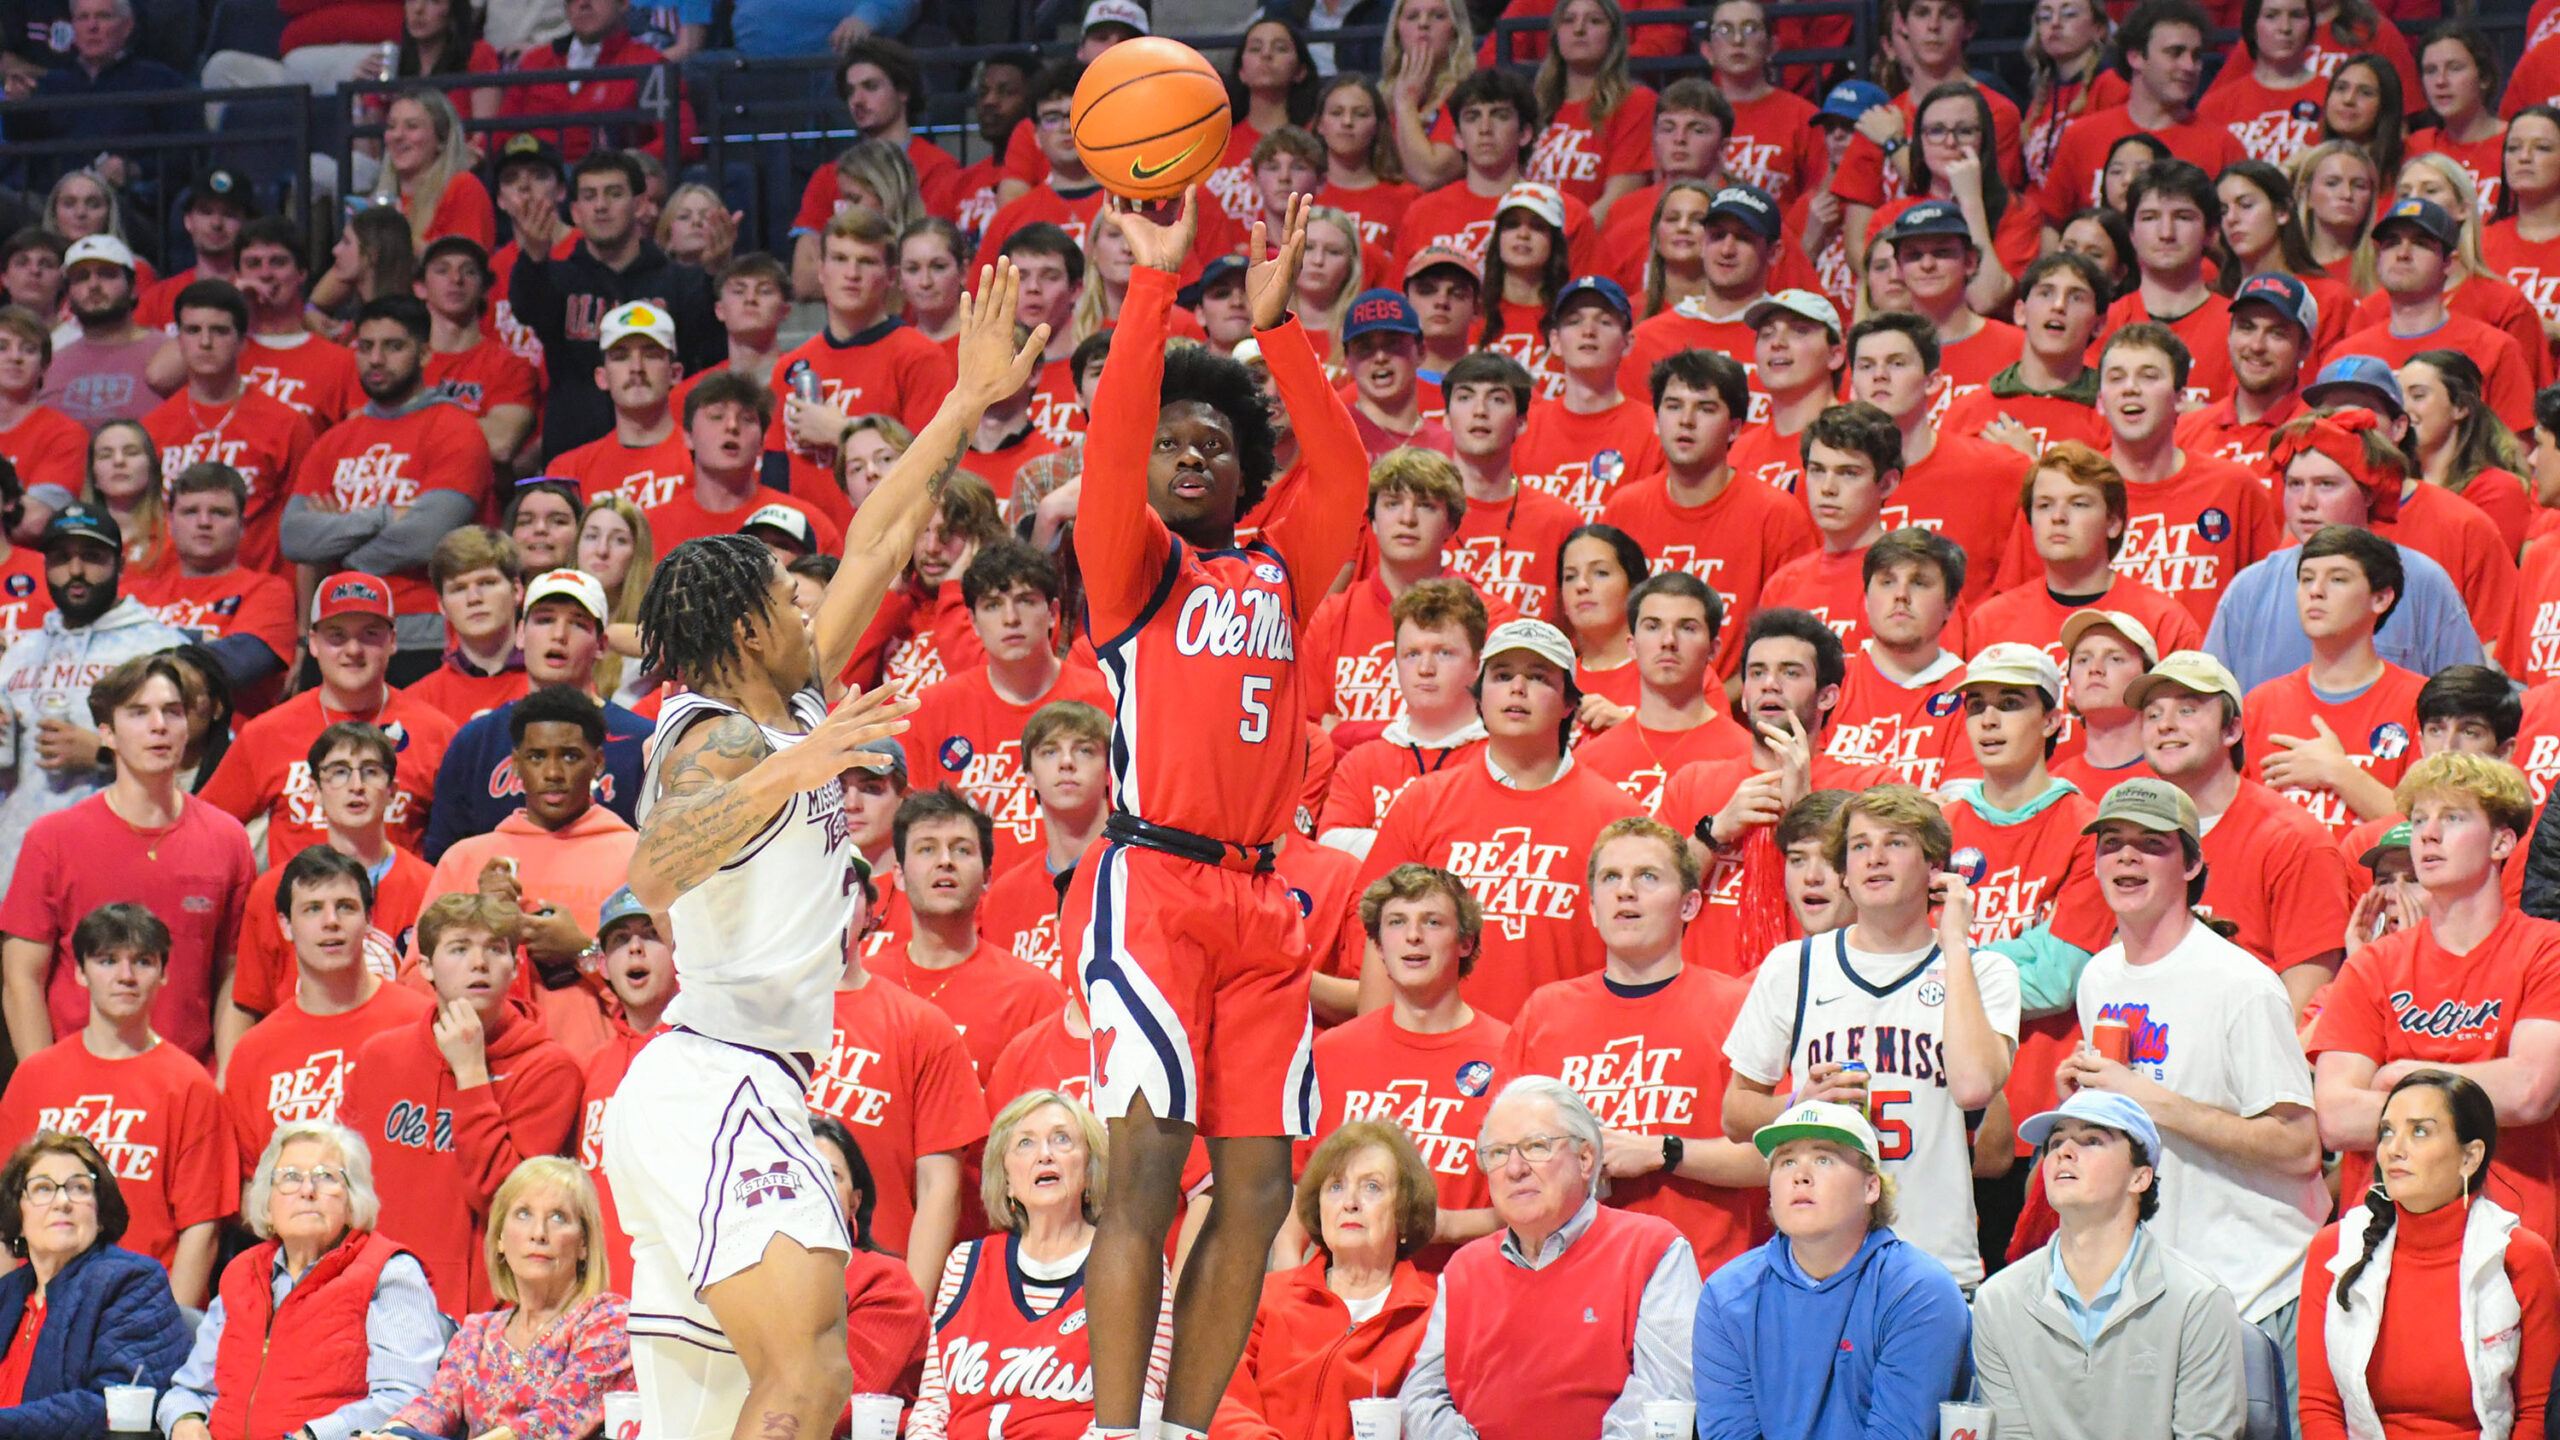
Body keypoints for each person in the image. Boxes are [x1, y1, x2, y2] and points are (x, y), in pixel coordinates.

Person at [603, 256, 1040, 1440]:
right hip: (715, 1081)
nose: (814, 611)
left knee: (733, 1408)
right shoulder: (709, 729)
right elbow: (654, 867)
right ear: (746, 627)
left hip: (730, 1086)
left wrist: (965, 399)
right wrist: (798, 769)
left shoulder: (788, 699)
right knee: (809, 1383)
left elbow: (882, 541)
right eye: (788, 606)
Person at [1054, 187, 1374, 1440]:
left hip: (1262, 898)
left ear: (1247, 469)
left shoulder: (1279, 565)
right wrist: (1155, 286)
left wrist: (1282, 329)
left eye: (1217, 443)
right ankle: (1112, 1430)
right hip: (1153, 890)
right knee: (1141, 1178)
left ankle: (1181, 1432)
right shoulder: (1130, 566)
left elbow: (1341, 464)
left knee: (1256, 1192)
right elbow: (1111, 432)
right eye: (1171, 443)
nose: (1191, 455)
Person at [2062, 775, 2328, 1375]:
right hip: (2160, 1288)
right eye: (2111, 842)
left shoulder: (2241, 985)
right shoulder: (2098, 978)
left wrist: (2145, 1096)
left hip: (2260, 1287)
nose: (2126, 855)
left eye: (2151, 843)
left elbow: (2298, 1146)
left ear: (2191, 864)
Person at [1722, 784, 2020, 1288]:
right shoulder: (1795, 967)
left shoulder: (1985, 971)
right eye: (1860, 846)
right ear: (1844, 872)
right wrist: (1798, 1102)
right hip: (1819, 1267)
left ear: (1934, 870)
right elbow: (1735, 1114)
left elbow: (1973, 1087)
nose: (1874, 858)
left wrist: (1954, 945)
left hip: (1935, 1264)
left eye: (1896, 843)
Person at [2311, 753, 2560, 1243]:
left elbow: (2532, 1091)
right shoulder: (2372, 964)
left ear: (2502, 841)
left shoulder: (2546, 949)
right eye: (2420, 818)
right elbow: (2338, 1117)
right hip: (2383, 1246)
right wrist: (2475, 1093)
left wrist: (2407, 1081)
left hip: (2511, 1243)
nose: (2427, 834)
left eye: (2453, 817)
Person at [1506, 816, 1767, 1275]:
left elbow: (1776, 1157)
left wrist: (1662, 1153)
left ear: (1690, 904)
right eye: (1611, 878)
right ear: (1591, 908)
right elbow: (1504, 1157)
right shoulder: (1544, 1013)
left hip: (1702, 1284)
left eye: (1647, 877)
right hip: (1568, 1278)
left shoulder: (1739, 1006)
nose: (1626, 891)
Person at [1357, 619, 1642, 1020]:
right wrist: (1378, 1048)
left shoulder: (1618, 817)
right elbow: (1379, 942)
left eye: (1538, 677)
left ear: (1568, 703)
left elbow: (1640, 955)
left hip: (1566, 1053)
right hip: (1440, 1052)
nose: (1518, 689)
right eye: (1503, 675)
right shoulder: (1422, 802)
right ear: (1479, 696)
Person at [1398, 1076, 1699, 1439]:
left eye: (1536, 1147)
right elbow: (1421, 1396)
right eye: (1497, 1153)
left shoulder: (1654, 1250)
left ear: (1586, 1158)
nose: (1514, 1169)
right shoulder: (1464, 1268)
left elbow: (1665, 1397)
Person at [0, 650, 251, 1072]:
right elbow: (21, 978)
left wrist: (224, 1081)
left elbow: (233, 976)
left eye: (172, 712)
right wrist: (43, 1086)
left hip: (187, 1084)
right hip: (76, 1087)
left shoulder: (228, 839)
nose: (159, 726)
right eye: (139, 712)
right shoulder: (52, 838)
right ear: (108, 733)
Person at [340, 892, 579, 1319]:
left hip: (487, 1315)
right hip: (374, 1299)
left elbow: (508, 1201)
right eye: (460, 948)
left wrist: (471, 1077)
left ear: (515, 965)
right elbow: (346, 1188)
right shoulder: (380, 1057)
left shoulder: (548, 1069)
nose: (479, 962)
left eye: (494, 948)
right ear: (427, 967)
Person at [1970, 1089, 2250, 1439]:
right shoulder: (1998, 1301)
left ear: (2140, 1178)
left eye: (2091, 1140)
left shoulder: (2199, 1301)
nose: (2064, 1152)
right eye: (2055, 1143)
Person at [2299, 1070, 2560, 1439]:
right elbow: (2319, 1407)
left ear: (2470, 1157)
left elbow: (2537, 1415)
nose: (2394, 1148)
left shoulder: (2523, 1257)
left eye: (2419, 1131)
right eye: (2387, 1131)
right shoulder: (2334, 1250)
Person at [1693, 1100, 1970, 1435]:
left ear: (1871, 1187)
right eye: (1786, 1161)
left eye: (1824, 1159)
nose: (1800, 1176)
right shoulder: (1726, 1295)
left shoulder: (1919, 1290)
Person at [156, 1120, 443, 1440]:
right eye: (290, 1177)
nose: (307, 1191)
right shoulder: (242, 1272)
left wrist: (313, 1436)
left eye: (326, 1177)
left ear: (352, 1200)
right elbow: (189, 1390)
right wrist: (185, 1420)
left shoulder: (389, 1272)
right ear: (267, 1202)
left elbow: (406, 1401)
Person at [0, 903, 226, 1306]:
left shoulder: (190, 1084)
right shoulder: (34, 1077)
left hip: (139, 1309)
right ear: (81, 973)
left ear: (164, 972)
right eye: (107, 961)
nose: (126, 976)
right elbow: (4, 1215)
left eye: (142, 961)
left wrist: (164, 1334)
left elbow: (201, 1230)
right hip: (36, 1306)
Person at [912, 1091, 1165, 1438]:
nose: (1045, 1154)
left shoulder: (1131, 1263)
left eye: (1062, 1139)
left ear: (1091, 1170)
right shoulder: (965, 1263)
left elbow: (1141, 1409)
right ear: (1007, 1180)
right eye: (1025, 1144)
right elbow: (931, 1410)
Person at [279, 296, 498, 678]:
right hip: (339, 631)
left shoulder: (455, 429)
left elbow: (425, 540)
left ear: (426, 354)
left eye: (393, 346)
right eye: (365, 347)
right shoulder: (334, 440)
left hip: (424, 635)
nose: (376, 359)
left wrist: (335, 545)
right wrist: (382, 516)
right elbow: (294, 539)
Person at [2206, 395, 2488, 691]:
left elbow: (2469, 700)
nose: (2306, 502)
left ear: (2367, 493)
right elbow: (2212, 704)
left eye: (2326, 484)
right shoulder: (2248, 591)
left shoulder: (2423, 581)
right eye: (2295, 484)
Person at [414, 683, 637, 1054]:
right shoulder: (465, 861)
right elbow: (415, 985)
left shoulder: (635, 858)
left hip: (605, 1080)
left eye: (569, 756)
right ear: (516, 764)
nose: (552, 772)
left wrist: (583, 952)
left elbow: (667, 989)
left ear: (597, 762)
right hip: (485, 1072)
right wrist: (477, 917)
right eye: (536, 757)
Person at [199, 572, 458, 861]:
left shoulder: (436, 732)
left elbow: (460, 847)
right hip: (298, 902)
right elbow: (204, 831)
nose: (353, 650)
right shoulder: (266, 732)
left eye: (370, 634)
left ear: (392, 641)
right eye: (337, 635)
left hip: (401, 903)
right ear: (312, 643)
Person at [375, 1156, 632, 1440]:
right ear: (499, 1237)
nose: (539, 1234)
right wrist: (390, 1433)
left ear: (584, 1243)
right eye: (523, 1214)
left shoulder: (607, 1320)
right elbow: (434, 1407)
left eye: (558, 1217)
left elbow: (561, 1416)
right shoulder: (476, 1333)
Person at [1600, 348, 1817, 678]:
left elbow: (1792, 643)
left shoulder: (1777, 515)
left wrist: (1710, 706)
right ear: (1656, 421)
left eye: (1705, 408)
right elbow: (1606, 629)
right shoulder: (1623, 509)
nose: (1686, 420)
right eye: (1673, 407)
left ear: (1734, 429)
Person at [902, 543, 1109, 882]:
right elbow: (914, 831)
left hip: (1084, 894)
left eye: (1025, 601)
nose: (1010, 619)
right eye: (993, 605)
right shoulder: (931, 711)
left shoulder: (1104, 699)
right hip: (969, 910)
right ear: (972, 620)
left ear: (1053, 612)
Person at [1219, 1121, 1441, 1434]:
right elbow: (1223, 1397)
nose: (1350, 1203)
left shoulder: (1432, 1319)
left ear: (1404, 1213)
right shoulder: (1266, 1297)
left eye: (1372, 1187)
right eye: (1335, 1187)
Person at [508, 151, 719, 460]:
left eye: (614, 193)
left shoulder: (679, 282)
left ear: (640, 205)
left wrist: (717, 271)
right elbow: (527, 307)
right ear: (576, 212)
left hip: (666, 458)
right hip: (575, 456)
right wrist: (534, 258)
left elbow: (712, 349)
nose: (601, 206)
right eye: (590, 196)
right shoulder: (557, 279)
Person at [768, 208, 957, 522]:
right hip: (808, 557)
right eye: (840, 259)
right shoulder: (788, 367)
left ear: (891, 276)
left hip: (885, 548)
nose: (851, 273)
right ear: (821, 269)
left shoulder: (921, 357)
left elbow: (935, 468)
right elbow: (774, 481)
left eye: (866, 261)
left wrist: (843, 432)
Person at [0, 1131, 190, 1434]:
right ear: (18, 1217)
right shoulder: (7, 1293)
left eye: (79, 1188)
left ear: (99, 1215)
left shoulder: (133, 1282)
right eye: (42, 1188)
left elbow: (113, 1405)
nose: (62, 1201)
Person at [872, 787, 1064, 1081]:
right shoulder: (867, 984)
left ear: (987, 876)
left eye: (962, 849)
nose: (945, 861)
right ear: (898, 874)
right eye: (927, 849)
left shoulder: (1035, 997)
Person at [1967, 442, 2204, 670]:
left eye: (2078, 504)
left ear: (2113, 522)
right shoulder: (1990, 623)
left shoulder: (2164, 621)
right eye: (2044, 505)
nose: (2058, 517)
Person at [139, 280, 315, 578]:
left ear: (243, 341)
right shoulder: (152, 428)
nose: (205, 343)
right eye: (193, 331)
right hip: (170, 599)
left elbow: (305, 532)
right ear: (178, 340)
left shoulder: (286, 424)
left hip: (258, 597)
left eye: (219, 331)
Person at [1572, 573, 1750, 815]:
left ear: (1713, 649)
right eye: (1653, 627)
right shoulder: (1585, 763)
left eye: (1687, 628)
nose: (1668, 641)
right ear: (1632, 646)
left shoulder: (1747, 757)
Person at [123, 467, 297, 705]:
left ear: (242, 524)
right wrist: (199, 638)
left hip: (230, 737)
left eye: (219, 512)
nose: (204, 522)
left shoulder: (269, 591)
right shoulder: (131, 593)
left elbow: (237, 666)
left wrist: (135, 649)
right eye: (190, 512)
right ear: (170, 522)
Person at [1439, 351, 1582, 621]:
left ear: (1521, 421)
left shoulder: (1559, 522)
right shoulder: (1417, 516)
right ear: (1446, 417)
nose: (1480, 411)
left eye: (1497, 399)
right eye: (1465, 397)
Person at [416, 237, 540, 471]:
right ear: (420, 287)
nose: (456, 279)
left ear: (485, 289)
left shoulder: (510, 367)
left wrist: (408, 423)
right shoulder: (404, 361)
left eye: (469, 271)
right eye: (442, 270)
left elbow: (501, 443)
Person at [38, 236, 172, 431]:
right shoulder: (51, 361)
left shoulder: (165, 352)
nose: (93, 285)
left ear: (133, 288)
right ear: (68, 294)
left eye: (107, 274)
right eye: (81, 277)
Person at [401, 527, 527, 727]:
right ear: (442, 605)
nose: (474, 598)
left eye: (487, 582)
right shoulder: (414, 702)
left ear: (517, 590)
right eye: (459, 589)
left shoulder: (555, 685)